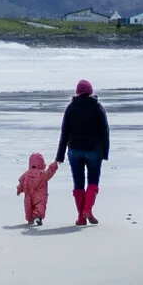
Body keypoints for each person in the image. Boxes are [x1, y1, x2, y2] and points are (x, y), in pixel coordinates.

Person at [54, 78, 110, 226]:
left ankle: (81, 217)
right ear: (90, 92)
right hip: (94, 150)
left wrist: (60, 155)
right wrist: (105, 151)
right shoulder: (97, 107)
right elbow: (105, 131)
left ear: (77, 92)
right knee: (93, 181)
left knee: (78, 183)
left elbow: (64, 133)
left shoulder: (70, 108)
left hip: (74, 151)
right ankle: (88, 210)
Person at [16, 152, 61, 226]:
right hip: (39, 196)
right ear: (41, 163)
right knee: (40, 206)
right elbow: (49, 172)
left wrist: (19, 189)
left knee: (28, 207)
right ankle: (38, 217)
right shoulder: (42, 174)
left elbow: (21, 182)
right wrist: (54, 164)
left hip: (28, 196)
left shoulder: (26, 174)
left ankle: (30, 220)